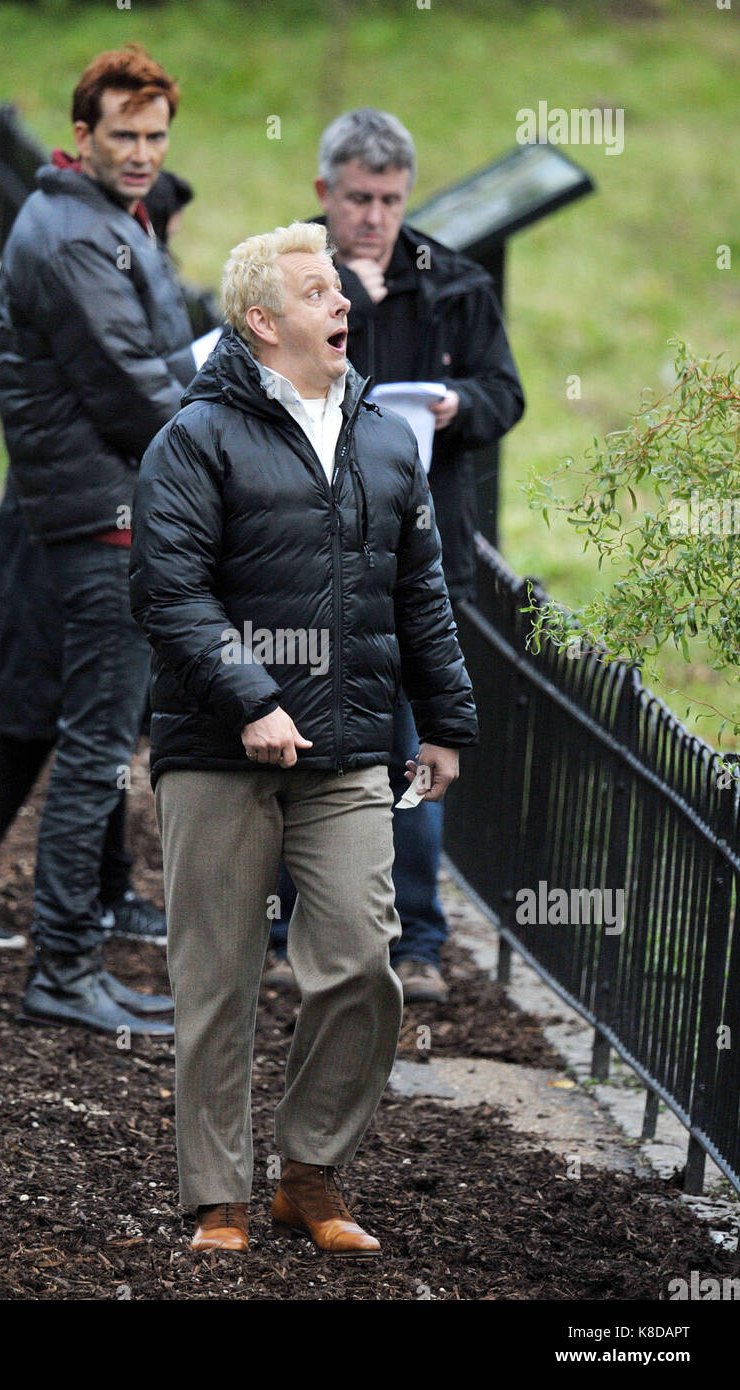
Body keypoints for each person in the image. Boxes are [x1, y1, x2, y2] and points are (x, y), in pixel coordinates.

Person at [129, 222, 478, 1254]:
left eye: (340, 290)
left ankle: (310, 1172)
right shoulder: (192, 438)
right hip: (216, 750)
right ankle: (218, 1198)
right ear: (260, 321)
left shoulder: (381, 439)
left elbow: (420, 591)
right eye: (318, 292)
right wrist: (248, 696)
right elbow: (168, 590)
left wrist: (447, 721)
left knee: (363, 964)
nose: (344, 306)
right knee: (218, 976)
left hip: (345, 752)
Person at [0, 156, 199, 971]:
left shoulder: (70, 274)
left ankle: (104, 890)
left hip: (61, 530)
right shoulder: (78, 286)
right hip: (58, 543)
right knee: (52, 723)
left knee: (85, 722)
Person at [265, 109, 524, 1005]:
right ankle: (284, 926)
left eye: (388, 199)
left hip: (419, 555)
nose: (373, 216)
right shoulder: (289, 282)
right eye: (357, 198)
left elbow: (505, 391)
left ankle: (414, 939)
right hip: (304, 556)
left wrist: (457, 408)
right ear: (323, 193)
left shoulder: (451, 284)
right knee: (298, 745)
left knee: (414, 750)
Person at [0, 45, 197, 1036]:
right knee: (95, 754)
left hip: (102, 511)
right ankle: (61, 970)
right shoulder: (74, 236)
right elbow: (129, 385)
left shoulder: (99, 216)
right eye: (125, 134)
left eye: (156, 136)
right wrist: (232, 454)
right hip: (102, 523)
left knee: (97, 749)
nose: (144, 153)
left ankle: (73, 966)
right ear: (82, 136)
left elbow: (147, 363)